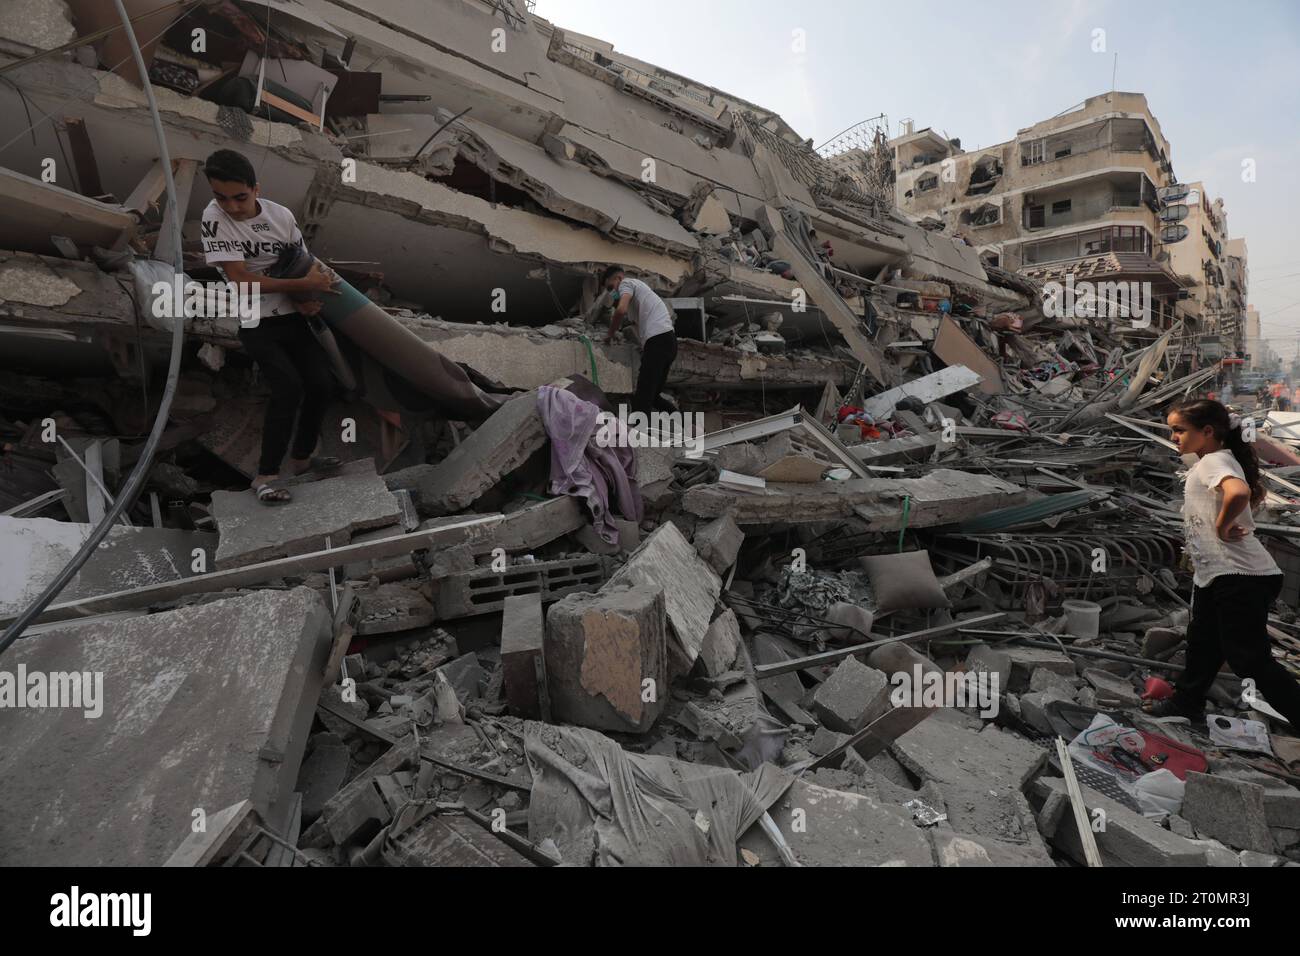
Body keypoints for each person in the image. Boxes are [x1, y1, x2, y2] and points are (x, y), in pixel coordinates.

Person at [1148, 399, 1300, 727]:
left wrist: (1221, 525)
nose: (1173, 436)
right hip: (1217, 575)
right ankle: (1186, 703)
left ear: (1207, 432)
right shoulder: (1213, 459)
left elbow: (1239, 493)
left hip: (1241, 576)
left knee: (1250, 659)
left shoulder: (1213, 461)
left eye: (1179, 430)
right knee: (1203, 644)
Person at [201, 149, 340, 505]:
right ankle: (265, 477)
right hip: (255, 318)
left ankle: (303, 459)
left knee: (321, 384)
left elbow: (300, 264)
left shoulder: (282, 216)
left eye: (239, 197)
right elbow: (241, 280)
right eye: (221, 197)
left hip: (291, 316)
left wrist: (306, 296)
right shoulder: (214, 219)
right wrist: (301, 287)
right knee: (288, 389)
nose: (230, 206)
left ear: (256, 188)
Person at [600, 265, 677, 416]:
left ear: (619, 278)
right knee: (653, 397)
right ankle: (690, 428)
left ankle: (638, 438)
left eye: (611, 287)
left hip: (658, 341)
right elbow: (637, 327)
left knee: (642, 399)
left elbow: (620, 310)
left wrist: (610, 334)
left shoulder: (627, 283)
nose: (612, 292)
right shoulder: (641, 297)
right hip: (669, 343)